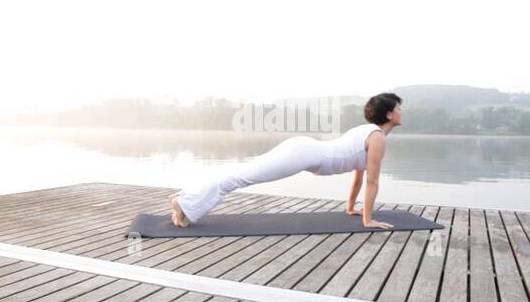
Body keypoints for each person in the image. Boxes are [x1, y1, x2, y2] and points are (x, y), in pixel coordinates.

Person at [169, 92, 403, 229]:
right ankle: (184, 203)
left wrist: (352, 208)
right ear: (389, 114)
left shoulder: (367, 132)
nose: (402, 112)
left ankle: (185, 200)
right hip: (305, 154)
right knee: (242, 177)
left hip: (305, 150)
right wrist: (368, 220)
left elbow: (359, 174)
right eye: (399, 108)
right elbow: (372, 182)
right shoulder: (377, 138)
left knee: (243, 172)